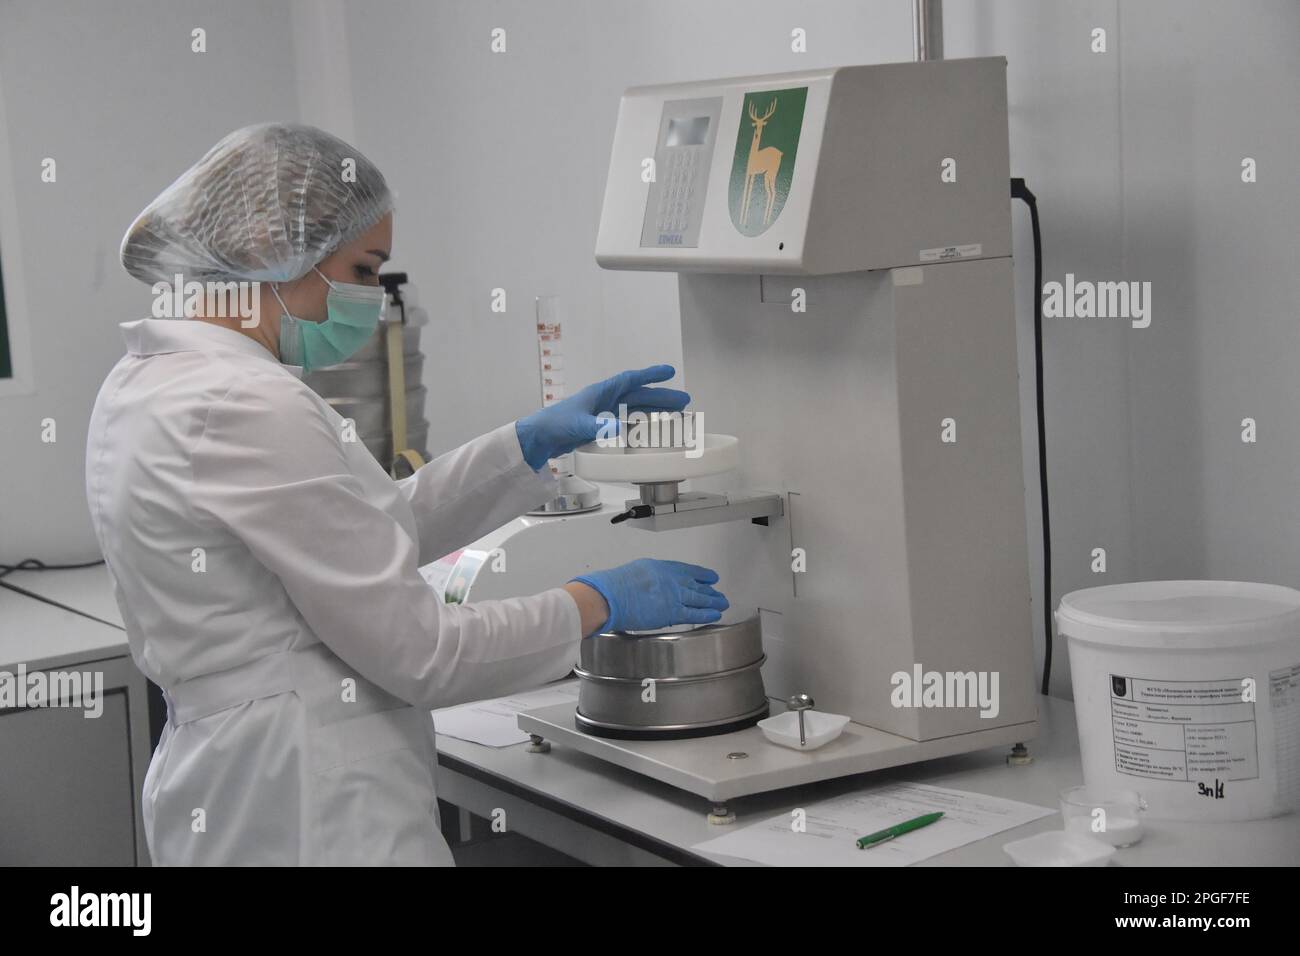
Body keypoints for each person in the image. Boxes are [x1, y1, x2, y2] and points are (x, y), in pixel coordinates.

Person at [86, 123, 726, 866]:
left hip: (240, 775)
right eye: (363, 269)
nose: (370, 299)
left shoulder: (150, 380)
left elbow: (357, 535)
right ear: (271, 247)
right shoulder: (245, 402)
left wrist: (525, 445)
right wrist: (595, 602)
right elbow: (422, 652)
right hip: (311, 801)